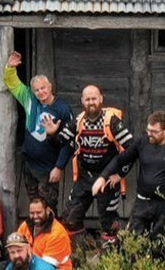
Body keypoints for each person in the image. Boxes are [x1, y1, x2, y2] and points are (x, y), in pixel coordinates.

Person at [96, 111, 165, 257]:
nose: (149, 134)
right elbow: (120, 160)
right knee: (132, 244)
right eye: (148, 130)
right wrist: (102, 177)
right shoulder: (142, 143)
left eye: (154, 131)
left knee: (160, 246)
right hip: (142, 202)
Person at [45, 84, 133, 248]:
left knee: (108, 223)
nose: (91, 102)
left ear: (101, 99)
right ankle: (85, 250)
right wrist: (52, 133)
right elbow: (59, 143)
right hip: (85, 177)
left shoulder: (112, 121)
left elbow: (132, 148)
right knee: (70, 218)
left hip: (107, 180)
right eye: (87, 99)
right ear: (82, 101)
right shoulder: (77, 122)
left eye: (94, 98)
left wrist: (120, 174)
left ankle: (110, 261)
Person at [5, 51, 73, 207]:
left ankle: (51, 232)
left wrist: (59, 167)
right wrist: (10, 68)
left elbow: (69, 142)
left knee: (47, 207)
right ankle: (35, 232)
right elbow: (13, 83)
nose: (40, 92)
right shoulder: (29, 98)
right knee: (34, 206)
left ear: (50, 87)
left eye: (43, 88)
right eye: (36, 90)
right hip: (29, 164)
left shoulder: (62, 109)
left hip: (48, 168)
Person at [17, 195, 73, 270]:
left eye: (39, 212)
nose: (35, 216)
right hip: (31, 267)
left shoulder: (57, 233)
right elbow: (15, 250)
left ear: (47, 211)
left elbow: (44, 267)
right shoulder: (26, 226)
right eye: (32, 213)